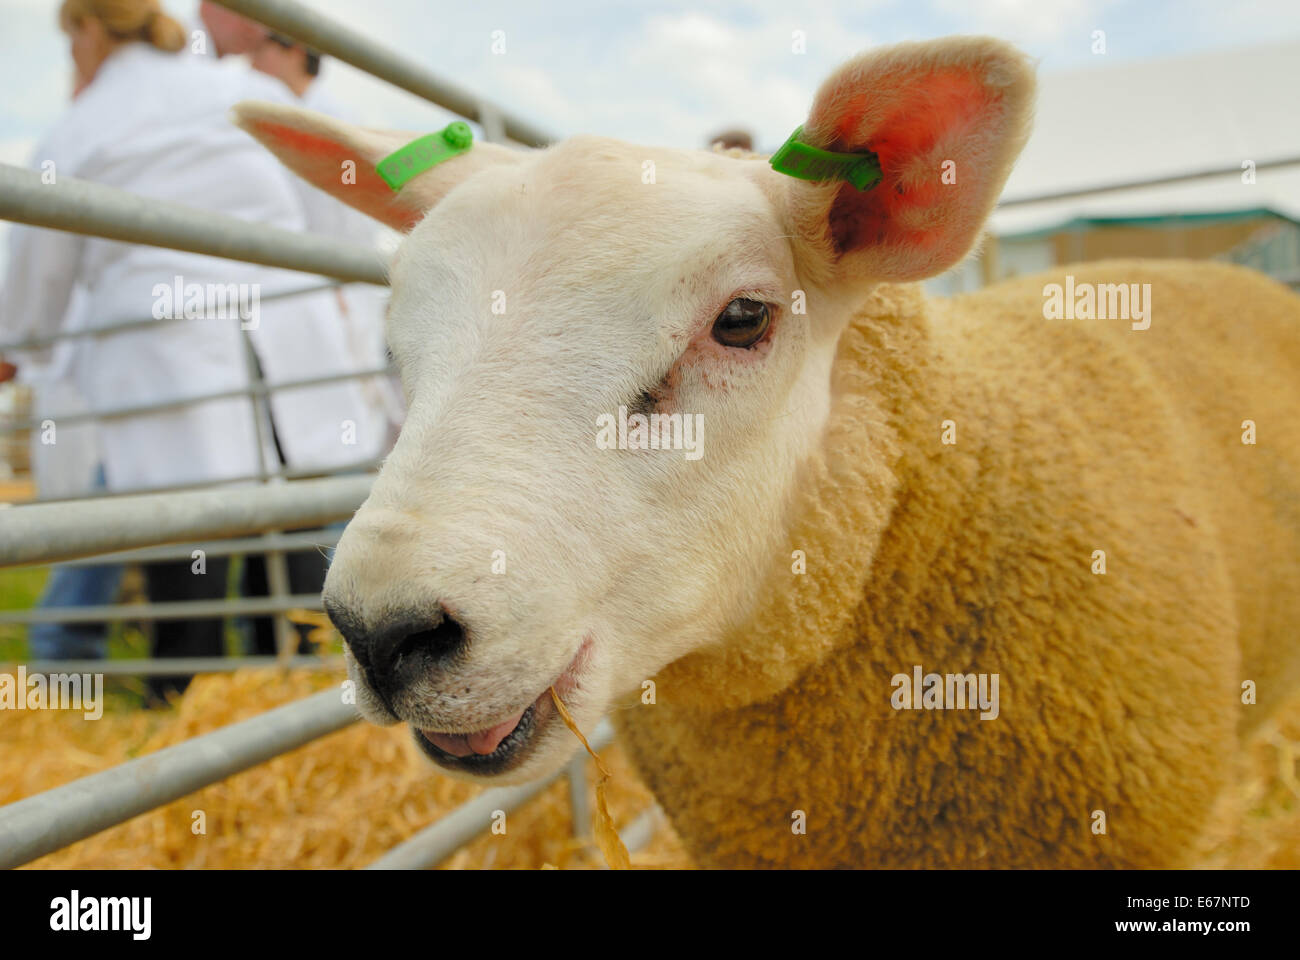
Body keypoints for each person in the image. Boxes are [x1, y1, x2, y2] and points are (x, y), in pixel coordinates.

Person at [0, 0, 380, 699]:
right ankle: (303, 717)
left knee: (192, 569)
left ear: (87, 30)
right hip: (294, 346)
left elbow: (34, 286)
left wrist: (15, 344)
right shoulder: (249, 92)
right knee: (302, 574)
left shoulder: (76, 130)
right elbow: (335, 224)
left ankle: (190, 720)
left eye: (71, 43)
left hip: (168, 365)